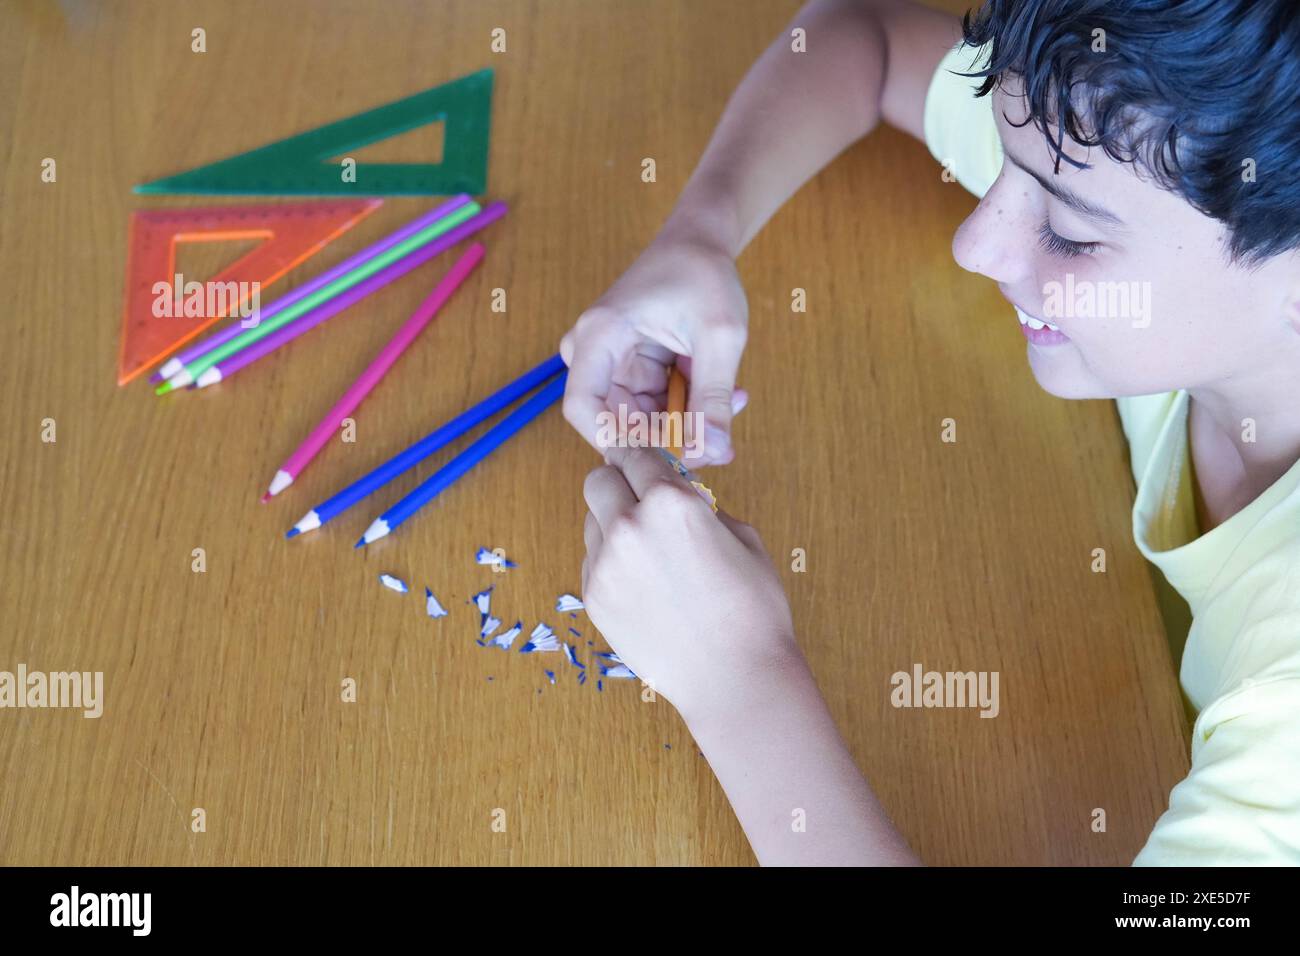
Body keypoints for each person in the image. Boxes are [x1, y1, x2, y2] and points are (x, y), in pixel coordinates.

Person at [559, 0, 1300, 865]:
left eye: (1066, 231)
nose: (976, 241)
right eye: (1003, 165)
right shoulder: (1136, 146)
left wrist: (737, 680)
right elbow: (862, 38)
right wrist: (701, 232)